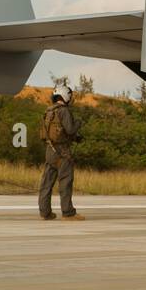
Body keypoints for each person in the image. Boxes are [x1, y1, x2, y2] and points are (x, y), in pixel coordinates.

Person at [38, 84, 85, 221]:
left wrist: (75, 138)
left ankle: (45, 212)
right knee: (65, 182)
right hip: (62, 152)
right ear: (66, 96)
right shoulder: (63, 110)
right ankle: (68, 213)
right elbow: (70, 130)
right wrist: (78, 123)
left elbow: (59, 131)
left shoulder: (49, 111)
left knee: (46, 183)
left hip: (49, 151)